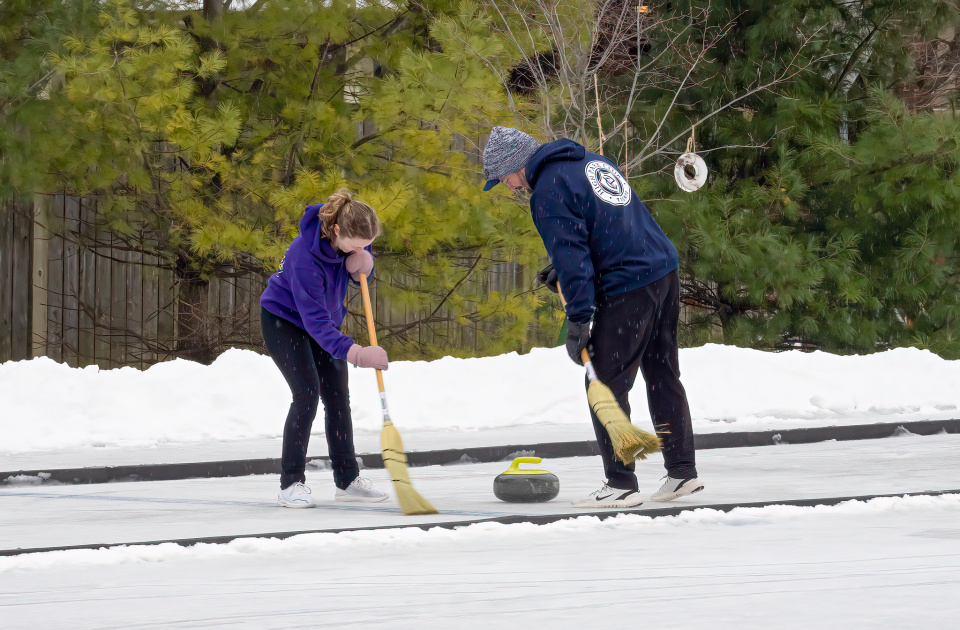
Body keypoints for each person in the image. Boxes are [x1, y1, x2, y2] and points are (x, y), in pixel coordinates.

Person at [482, 126, 704, 508]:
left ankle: (620, 483)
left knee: (605, 381)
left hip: (629, 284)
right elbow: (603, 228)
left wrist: (580, 319)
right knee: (662, 373)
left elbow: (574, 257)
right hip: (662, 271)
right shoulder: (590, 162)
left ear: (518, 165)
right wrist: (564, 271)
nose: (509, 187)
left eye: (504, 177)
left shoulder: (548, 191)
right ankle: (682, 473)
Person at [260, 188, 390, 508]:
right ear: (335, 230)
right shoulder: (303, 255)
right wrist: (357, 353)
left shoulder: (352, 233)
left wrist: (364, 264)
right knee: (307, 394)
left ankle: (347, 480)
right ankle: (291, 482)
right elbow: (315, 324)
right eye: (356, 245)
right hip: (286, 321)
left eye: (366, 244)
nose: (360, 249)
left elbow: (355, 270)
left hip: (325, 323)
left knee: (337, 396)